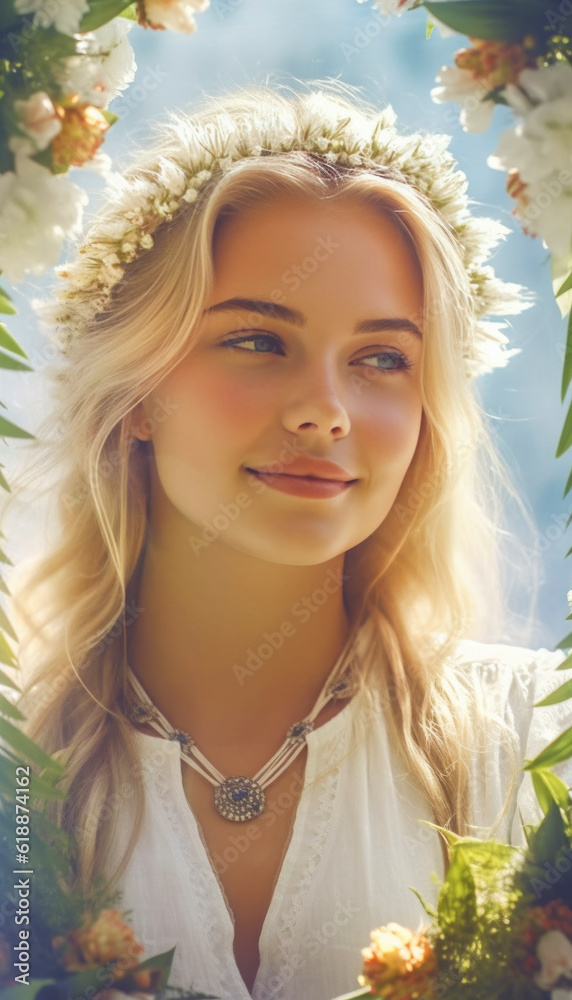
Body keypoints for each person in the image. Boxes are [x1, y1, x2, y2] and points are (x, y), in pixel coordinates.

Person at [7, 80, 572, 1000]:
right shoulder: (18, 780)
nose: (325, 411)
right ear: (139, 391)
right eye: (258, 342)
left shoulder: (539, 751)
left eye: (383, 358)